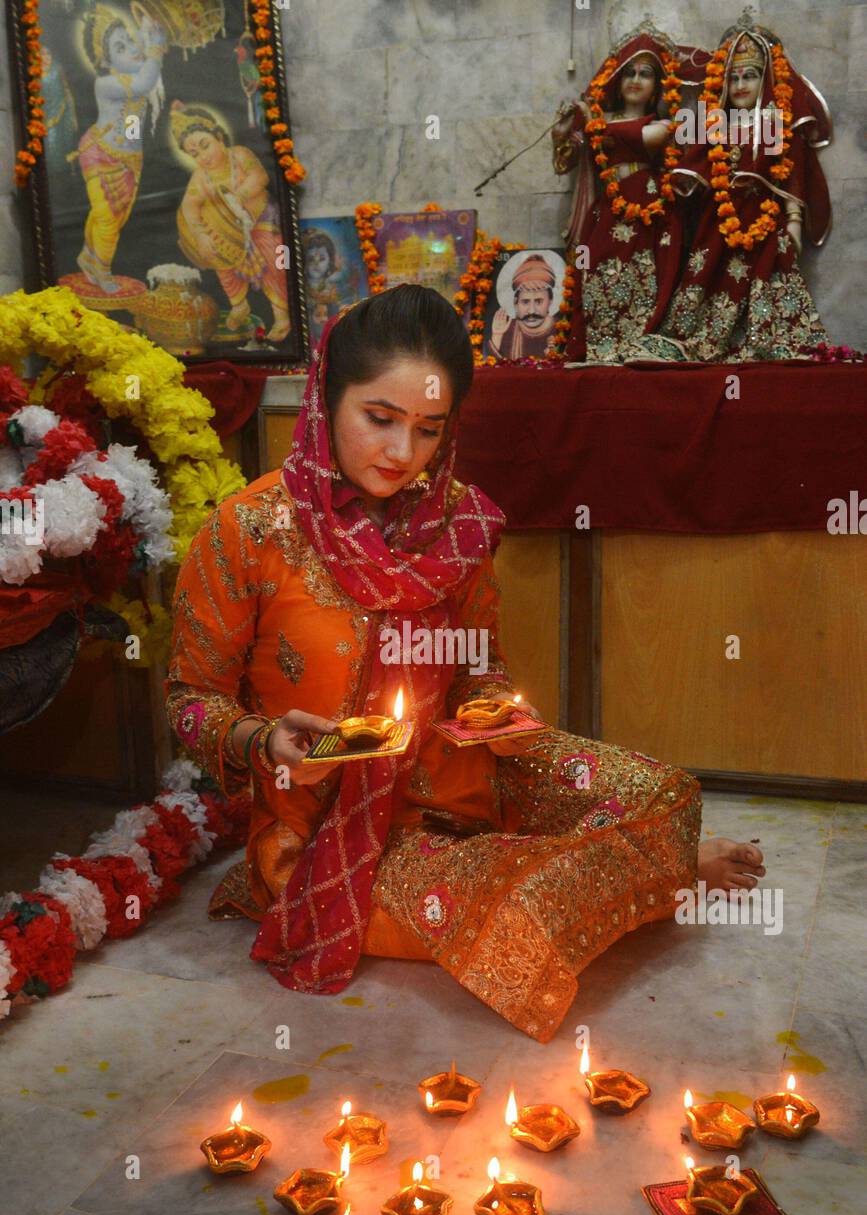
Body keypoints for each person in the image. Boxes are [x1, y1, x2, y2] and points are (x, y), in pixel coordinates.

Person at [165, 284, 764, 1042]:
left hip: (458, 771)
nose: (399, 453)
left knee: (664, 796)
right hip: (322, 833)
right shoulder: (246, 532)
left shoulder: (459, 523)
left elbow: (478, 666)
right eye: (378, 419)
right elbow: (190, 701)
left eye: (426, 430)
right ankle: (648, 875)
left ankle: (633, 863)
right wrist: (265, 745)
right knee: (508, 910)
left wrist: (495, 711)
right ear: (324, 400)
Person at [661, 22, 831, 360]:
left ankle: (766, 340)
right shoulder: (714, 124)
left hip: (765, 219)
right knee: (707, 275)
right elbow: (694, 166)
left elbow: (792, 175)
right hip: (719, 222)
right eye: (733, 78)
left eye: (749, 76)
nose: (740, 86)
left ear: (765, 81)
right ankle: (702, 338)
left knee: (770, 279)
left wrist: (794, 221)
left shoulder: (776, 124)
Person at [551, 26, 686, 362]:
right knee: (595, 270)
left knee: (647, 275)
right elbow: (563, 162)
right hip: (608, 210)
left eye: (646, 74)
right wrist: (563, 132)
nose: (636, 80)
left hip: (650, 208)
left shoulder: (665, 125)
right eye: (629, 72)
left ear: (658, 85)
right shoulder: (599, 123)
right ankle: (599, 347)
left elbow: (645, 138)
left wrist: (590, 122)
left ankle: (640, 345)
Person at [171, 101, 291, 343]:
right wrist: (201, 235)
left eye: (205, 146)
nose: (203, 156)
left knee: (275, 256)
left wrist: (239, 196)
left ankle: (282, 315)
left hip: (263, 219)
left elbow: (261, 176)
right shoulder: (200, 177)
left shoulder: (239, 155)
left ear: (219, 137)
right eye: (194, 154)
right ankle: (239, 305)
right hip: (232, 231)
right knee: (219, 258)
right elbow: (189, 206)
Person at [75, 6, 166, 293]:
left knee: (115, 216)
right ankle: (102, 271)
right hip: (100, 153)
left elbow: (138, 50)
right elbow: (144, 82)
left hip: (128, 156)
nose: (130, 48)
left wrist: (146, 30)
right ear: (106, 61)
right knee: (106, 219)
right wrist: (155, 50)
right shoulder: (106, 84)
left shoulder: (131, 70)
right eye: (119, 47)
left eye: (128, 40)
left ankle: (88, 257)